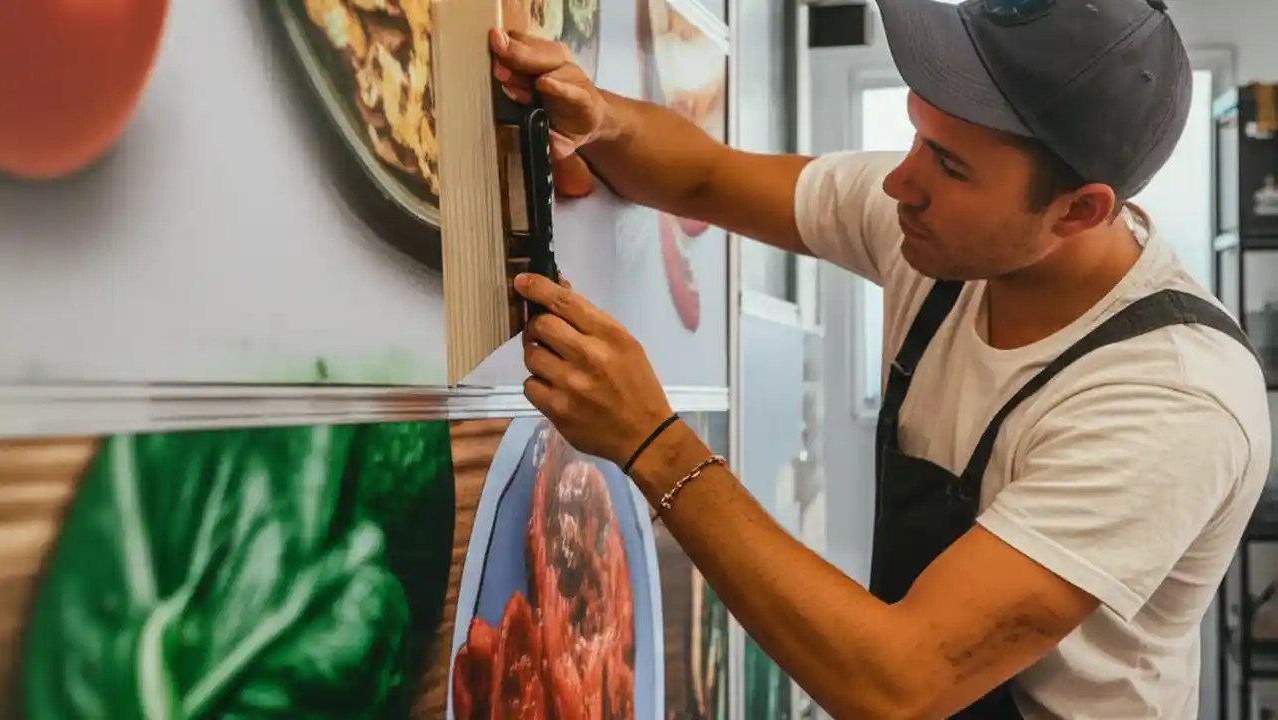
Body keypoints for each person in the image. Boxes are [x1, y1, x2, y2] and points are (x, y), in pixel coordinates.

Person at [493, 0, 1273, 716]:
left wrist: (653, 444)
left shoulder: (1169, 398)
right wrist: (599, 120)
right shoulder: (937, 222)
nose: (900, 180)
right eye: (919, 137)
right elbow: (706, 176)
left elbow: (899, 683)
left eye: (951, 165)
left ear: (1081, 210)